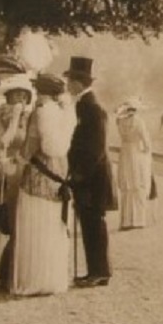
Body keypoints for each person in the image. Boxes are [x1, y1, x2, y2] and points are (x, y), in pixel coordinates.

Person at [10, 73, 76, 295]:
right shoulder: (63, 112)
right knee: (51, 224)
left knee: (34, 221)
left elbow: (30, 147)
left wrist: (17, 159)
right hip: (59, 173)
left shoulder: (39, 113)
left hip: (38, 174)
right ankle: (52, 278)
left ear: (40, 92)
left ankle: (34, 278)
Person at [65, 56, 117, 287]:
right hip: (89, 176)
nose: (67, 85)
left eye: (70, 80)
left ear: (78, 83)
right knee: (90, 222)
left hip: (92, 178)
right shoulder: (85, 105)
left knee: (93, 223)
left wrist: (79, 175)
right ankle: (97, 270)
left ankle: (99, 271)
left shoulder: (91, 108)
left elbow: (94, 148)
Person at [0, 73, 36, 282]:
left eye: (23, 96)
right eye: (14, 95)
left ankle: (27, 268)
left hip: (30, 170)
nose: (19, 100)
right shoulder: (0, 116)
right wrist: (14, 118)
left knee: (29, 220)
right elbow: (1, 142)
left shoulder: (32, 116)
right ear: (7, 98)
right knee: (14, 218)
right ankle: (10, 270)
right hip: (11, 169)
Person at [115, 97, 154, 229]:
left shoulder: (120, 122)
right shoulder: (139, 121)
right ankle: (138, 220)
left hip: (125, 152)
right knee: (138, 184)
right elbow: (146, 141)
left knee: (127, 186)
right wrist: (147, 151)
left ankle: (126, 221)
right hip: (137, 153)